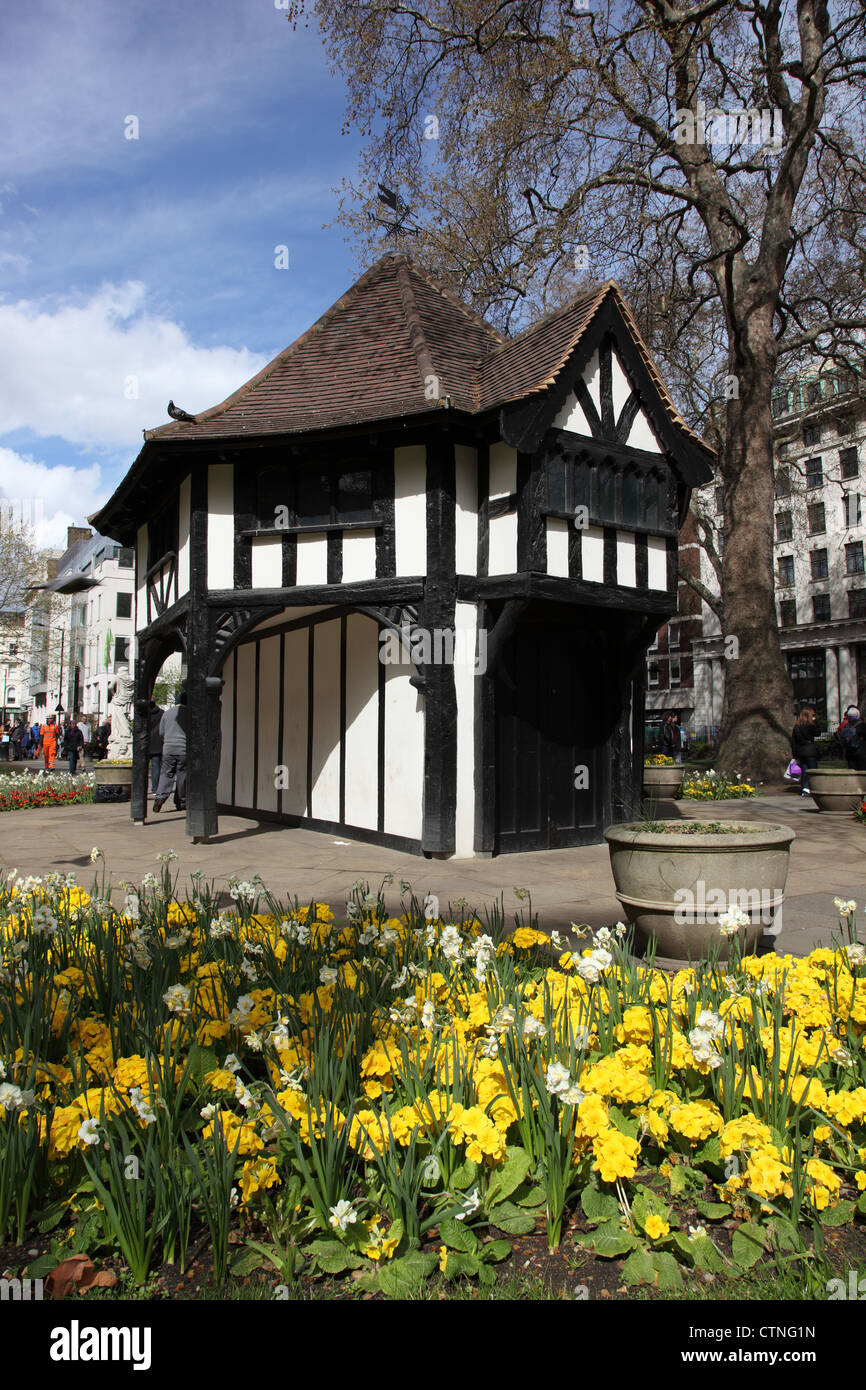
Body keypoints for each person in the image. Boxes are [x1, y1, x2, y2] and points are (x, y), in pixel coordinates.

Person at [152, 691, 187, 813]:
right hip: (184, 748)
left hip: (168, 748)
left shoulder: (167, 713)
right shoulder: (190, 713)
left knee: (166, 773)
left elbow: (161, 732)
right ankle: (181, 801)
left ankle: (160, 797)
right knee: (182, 774)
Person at [791, 706, 820, 798]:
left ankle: (804, 787)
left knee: (804, 770)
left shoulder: (797, 726)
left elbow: (794, 741)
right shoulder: (811, 725)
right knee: (813, 770)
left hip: (801, 751)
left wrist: (795, 754)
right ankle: (812, 787)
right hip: (810, 751)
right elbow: (818, 733)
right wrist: (815, 722)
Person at [147, 698, 164, 796]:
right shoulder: (162, 713)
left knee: (142, 768)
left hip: (146, 742)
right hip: (157, 742)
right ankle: (155, 788)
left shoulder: (144, 714)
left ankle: (142, 788)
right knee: (156, 766)